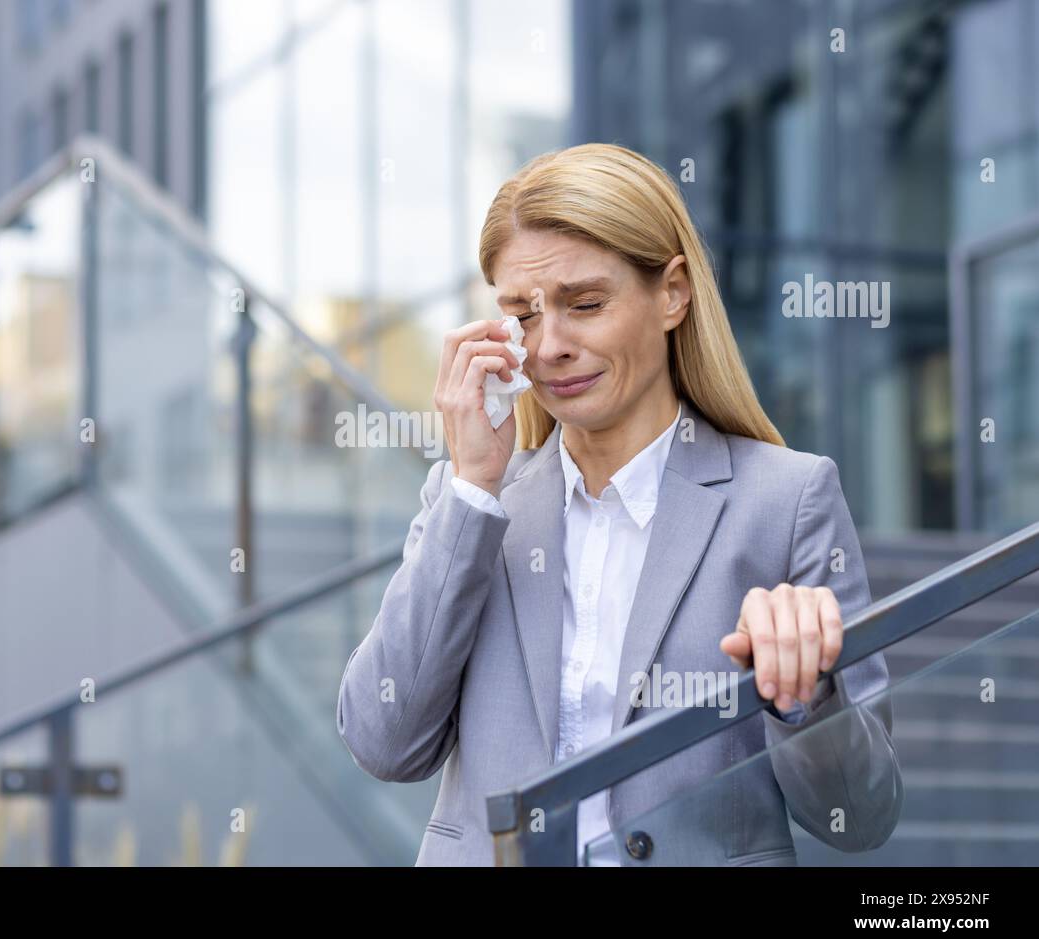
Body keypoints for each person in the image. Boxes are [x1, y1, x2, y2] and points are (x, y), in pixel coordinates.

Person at [336, 143, 902, 866]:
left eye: (586, 304)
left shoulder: (786, 500)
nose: (550, 347)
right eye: (523, 315)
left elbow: (860, 815)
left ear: (672, 292)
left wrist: (805, 696)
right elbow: (384, 742)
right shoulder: (474, 505)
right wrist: (473, 487)